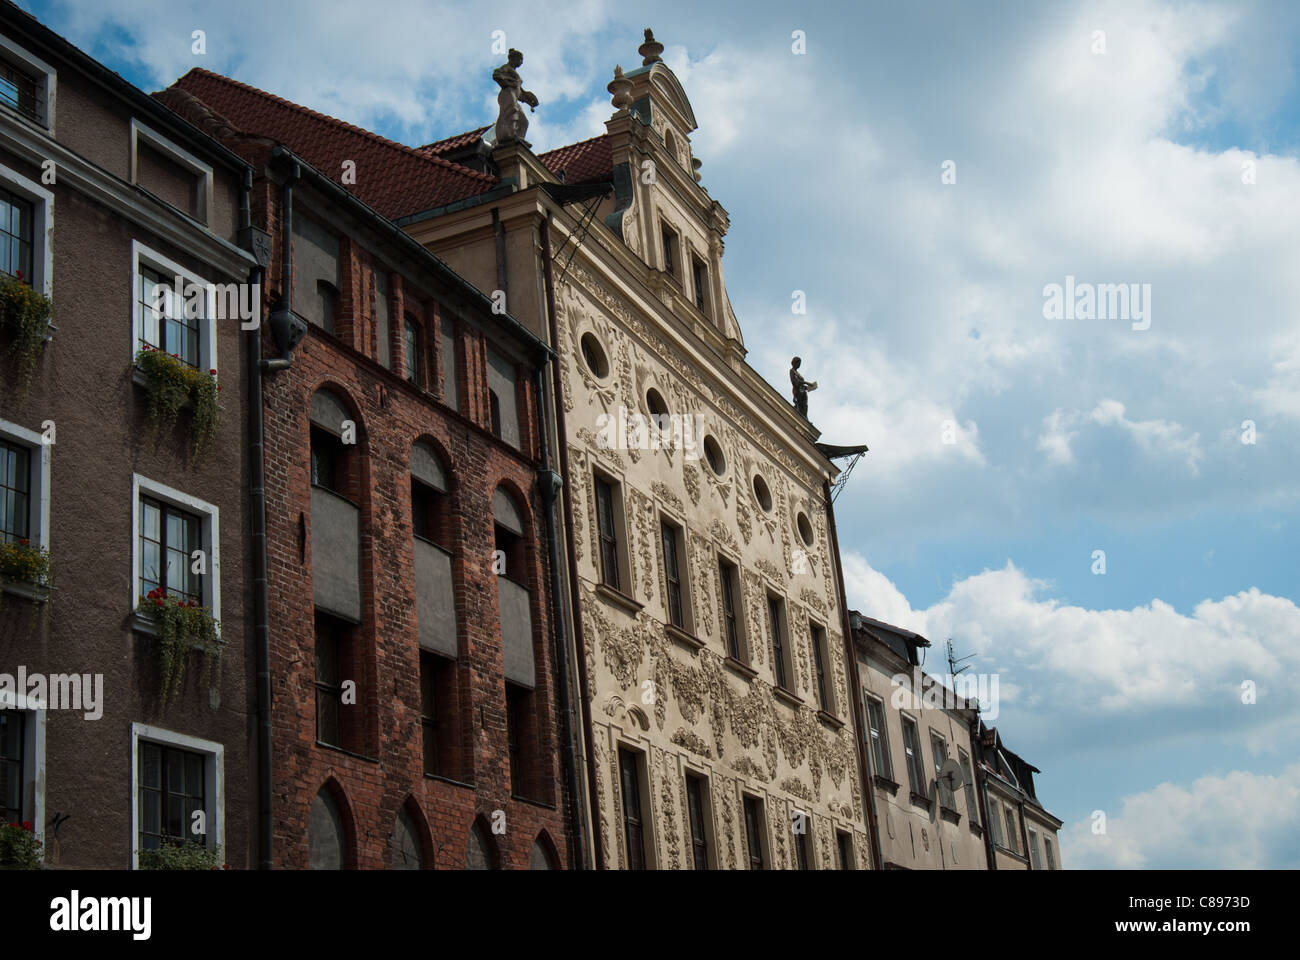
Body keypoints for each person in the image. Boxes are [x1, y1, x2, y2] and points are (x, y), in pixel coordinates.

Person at [493, 49, 539, 143]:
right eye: (520, 59)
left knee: (523, 121)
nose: (521, 62)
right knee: (510, 112)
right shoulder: (506, 68)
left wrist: (529, 101)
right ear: (513, 58)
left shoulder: (514, 72)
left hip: (514, 95)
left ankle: (518, 138)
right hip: (507, 94)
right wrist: (509, 83)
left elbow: (520, 92)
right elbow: (496, 74)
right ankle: (505, 136)